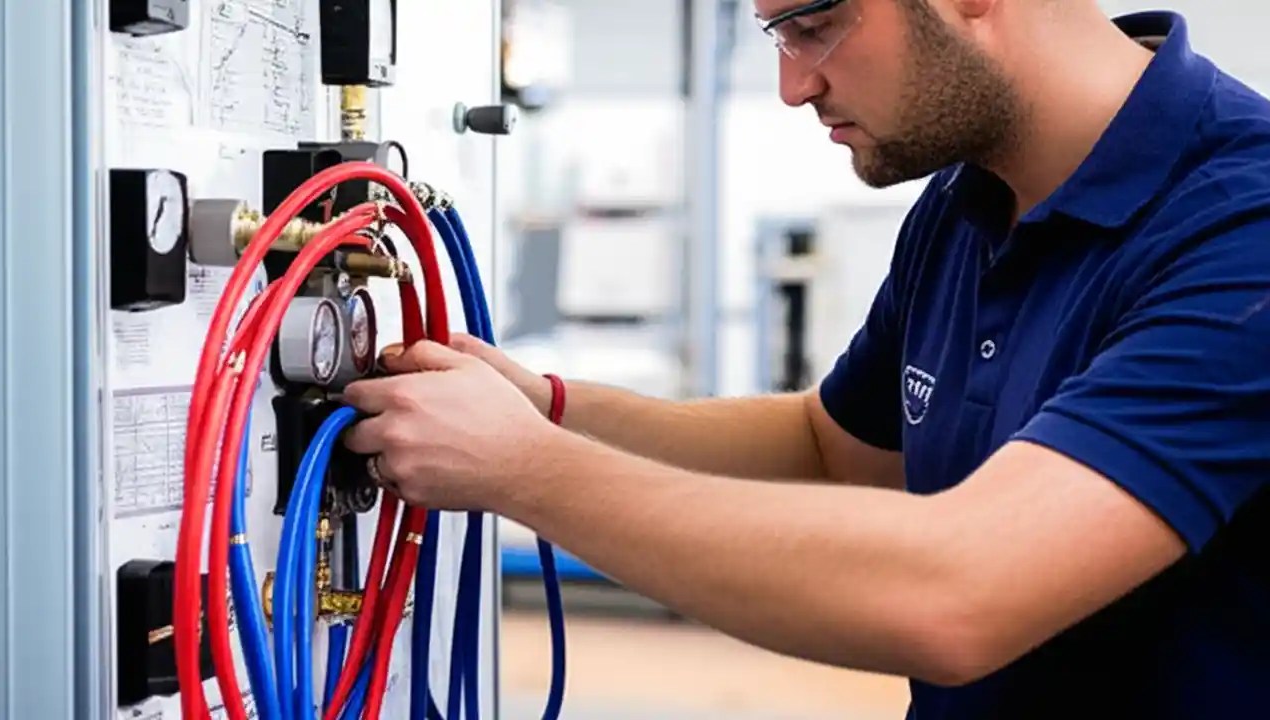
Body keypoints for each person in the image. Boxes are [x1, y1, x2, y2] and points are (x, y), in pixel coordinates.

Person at [344, 1, 1270, 717]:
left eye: (815, 25)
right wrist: (548, 408)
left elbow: (959, 593)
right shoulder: (965, 204)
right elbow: (832, 447)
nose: (793, 86)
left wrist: (523, 469)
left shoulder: (1241, 225)